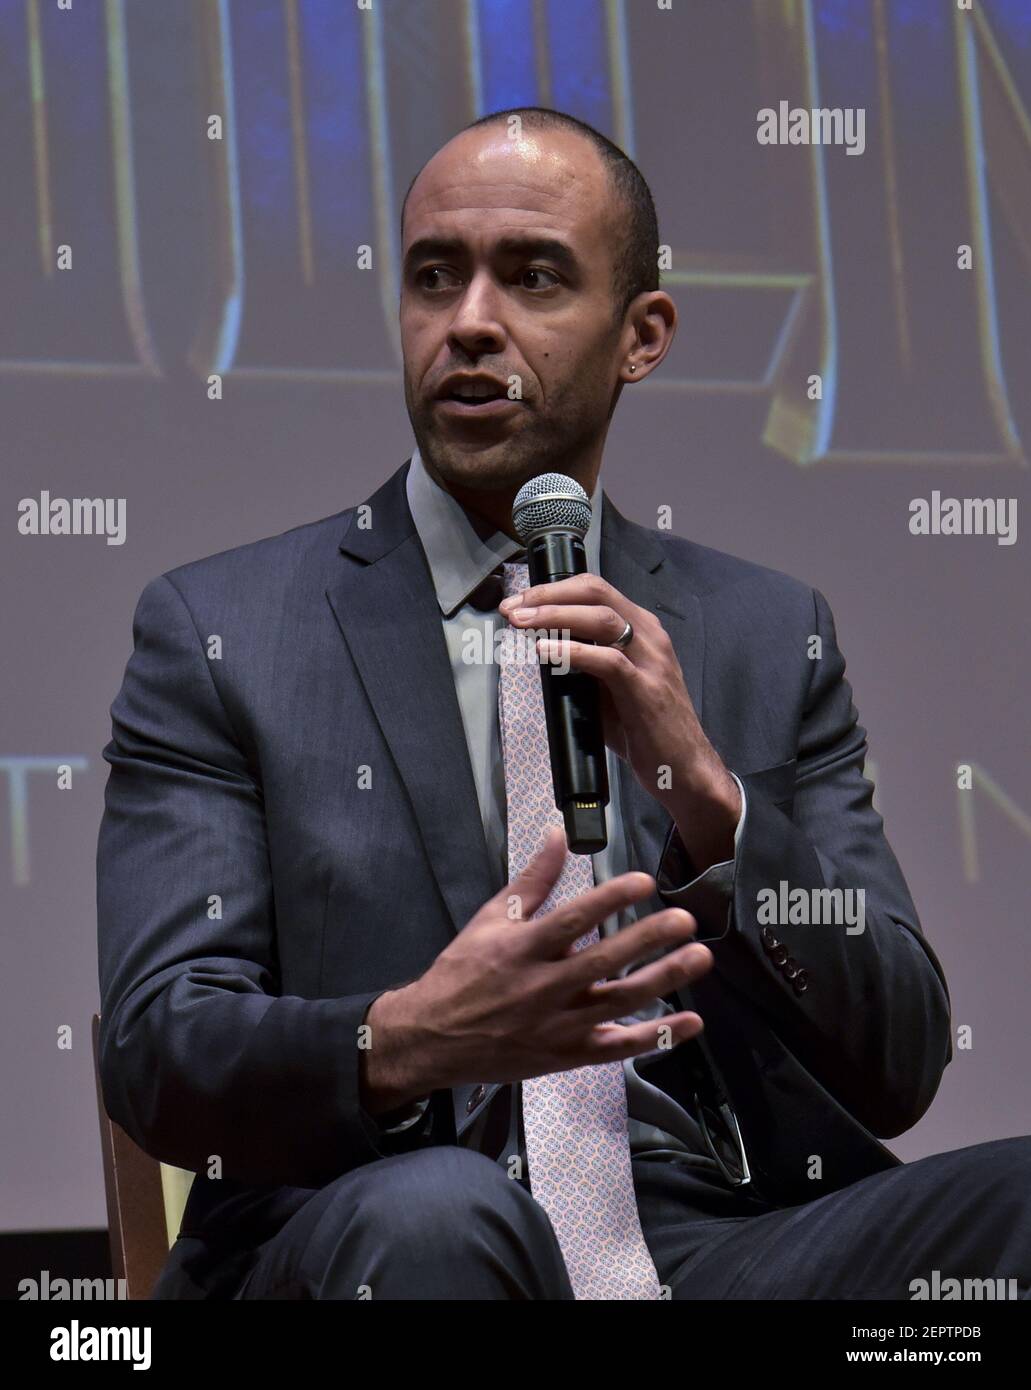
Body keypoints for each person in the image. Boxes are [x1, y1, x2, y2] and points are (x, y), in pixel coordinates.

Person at [96, 106, 1030, 1300]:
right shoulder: (223, 632)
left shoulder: (763, 636)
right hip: (365, 1228)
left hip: (710, 1243)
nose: (470, 323)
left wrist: (710, 797)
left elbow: (898, 1061)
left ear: (641, 335)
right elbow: (158, 1045)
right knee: (444, 1218)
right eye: (435, 277)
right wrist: (407, 1036)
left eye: (532, 277)